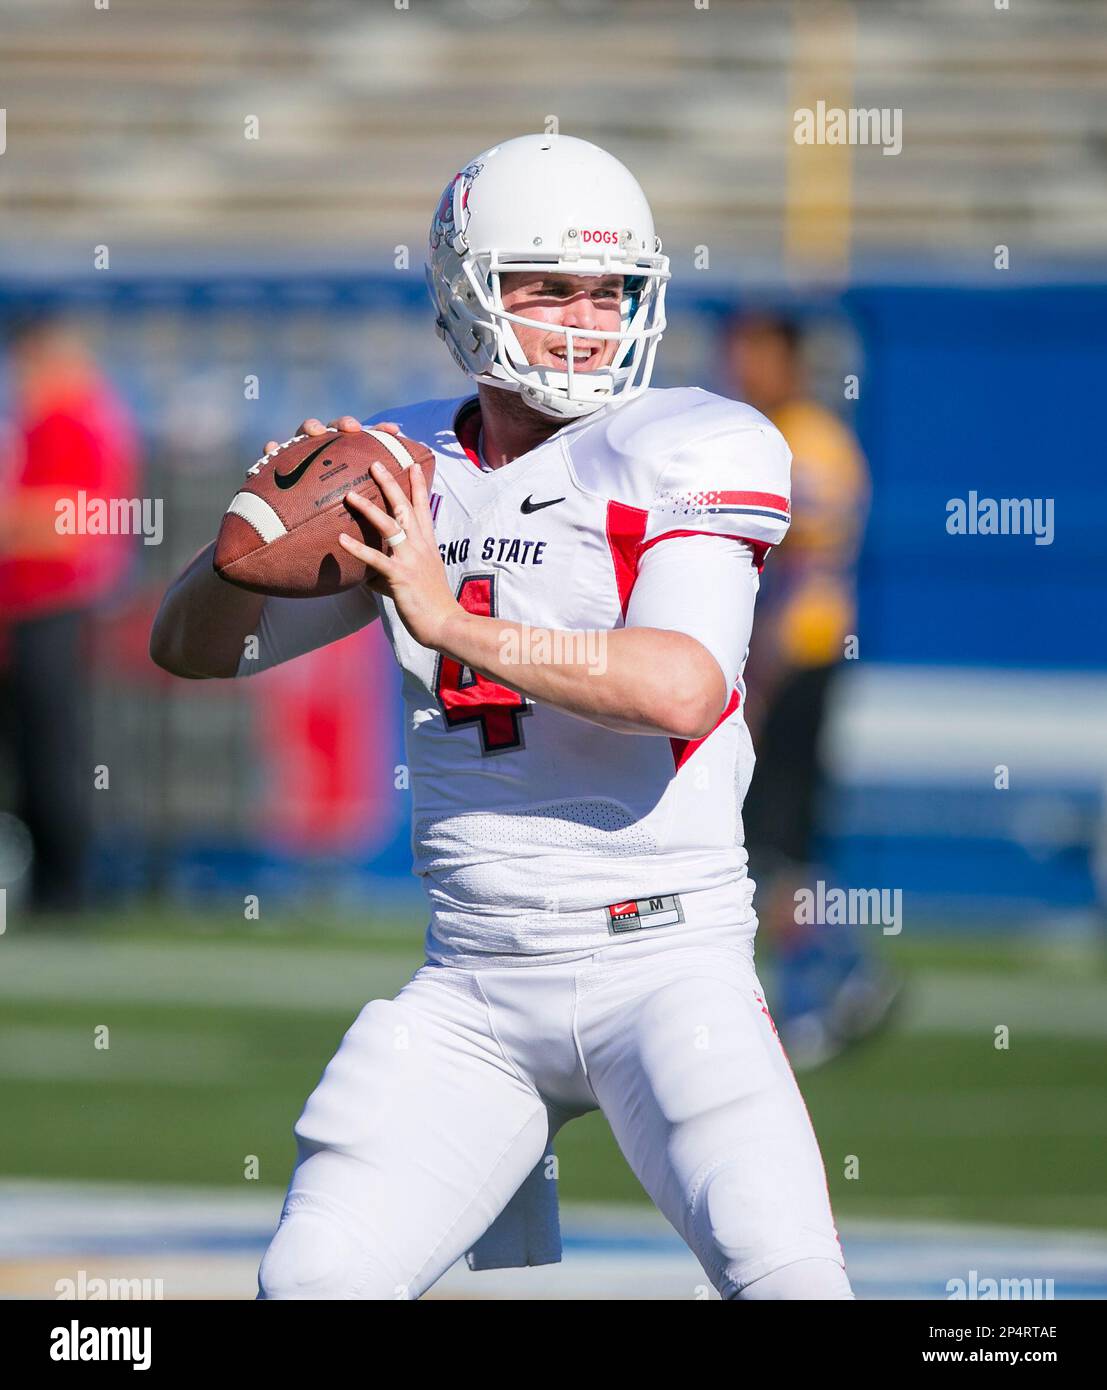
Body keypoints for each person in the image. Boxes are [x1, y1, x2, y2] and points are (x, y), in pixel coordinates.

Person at [150, 135, 852, 1300]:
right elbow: (195, 652)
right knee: (313, 1280)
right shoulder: (405, 459)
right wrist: (244, 555)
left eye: (609, 289)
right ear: (469, 294)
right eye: (547, 285)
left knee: (790, 1282)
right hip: (475, 983)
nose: (585, 317)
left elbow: (682, 684)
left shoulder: (689, 442)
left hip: (666, 964)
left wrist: (450, 618)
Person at [724, 312, 900, 1068]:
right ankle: (846, 974)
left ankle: (820, 987)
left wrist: (760, 669)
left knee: (773, 835)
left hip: (797, 656)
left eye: (756, 353)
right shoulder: (777, 433)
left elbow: (797, 554)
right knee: (777, 835)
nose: (742, 368)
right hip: (786, 655)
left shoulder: (806, 440)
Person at [0, 315, 139, 912]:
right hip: (31, 608)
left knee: (51, 751)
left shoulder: (71, 419)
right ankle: (47, 885)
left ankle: (63, 889)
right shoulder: (48, 421)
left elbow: (72, 521)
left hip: (49, 606)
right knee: (35, 751)